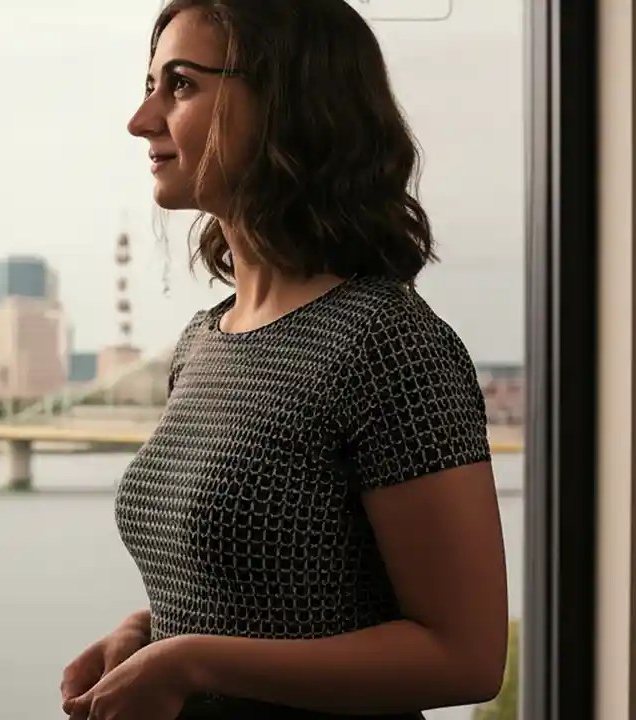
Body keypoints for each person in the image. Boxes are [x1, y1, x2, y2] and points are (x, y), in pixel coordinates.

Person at [58, 1, 509, 719]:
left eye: (179, 85)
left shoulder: (388, 344)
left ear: (284, 103)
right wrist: (143, 634)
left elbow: (465, 658)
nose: (141, 120)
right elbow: (263, 594)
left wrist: (189, 661)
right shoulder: (205, 344)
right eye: (152, 84)